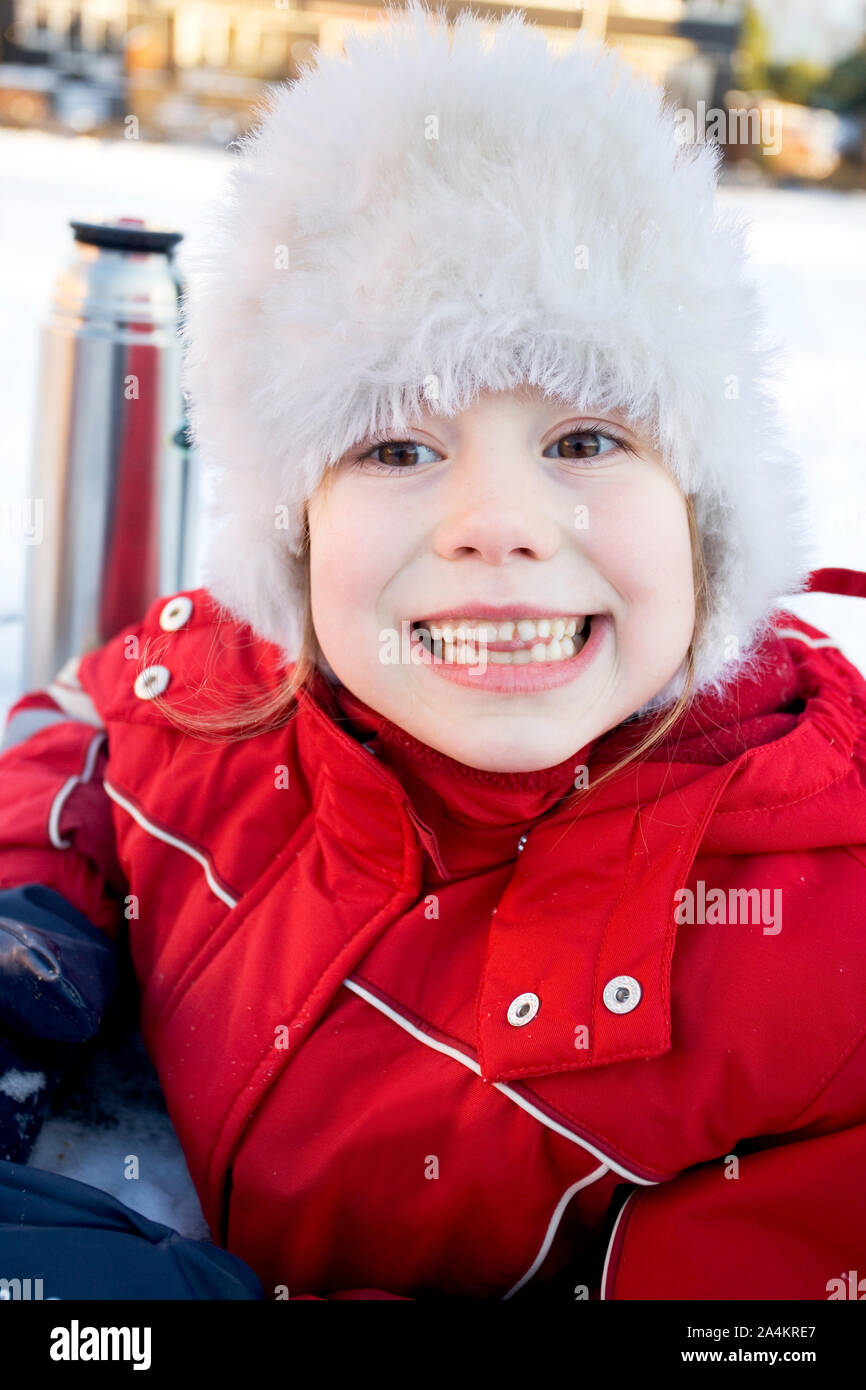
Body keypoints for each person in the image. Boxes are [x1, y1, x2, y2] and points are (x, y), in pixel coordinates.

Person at [1, 0, 865, 1301]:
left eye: (584, 439)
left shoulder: (820, 974)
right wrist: (34, 914)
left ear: (708, 511)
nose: (499, 526)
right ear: (295, 539)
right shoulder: (237, 693)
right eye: (397, 448)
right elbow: (82, 720)